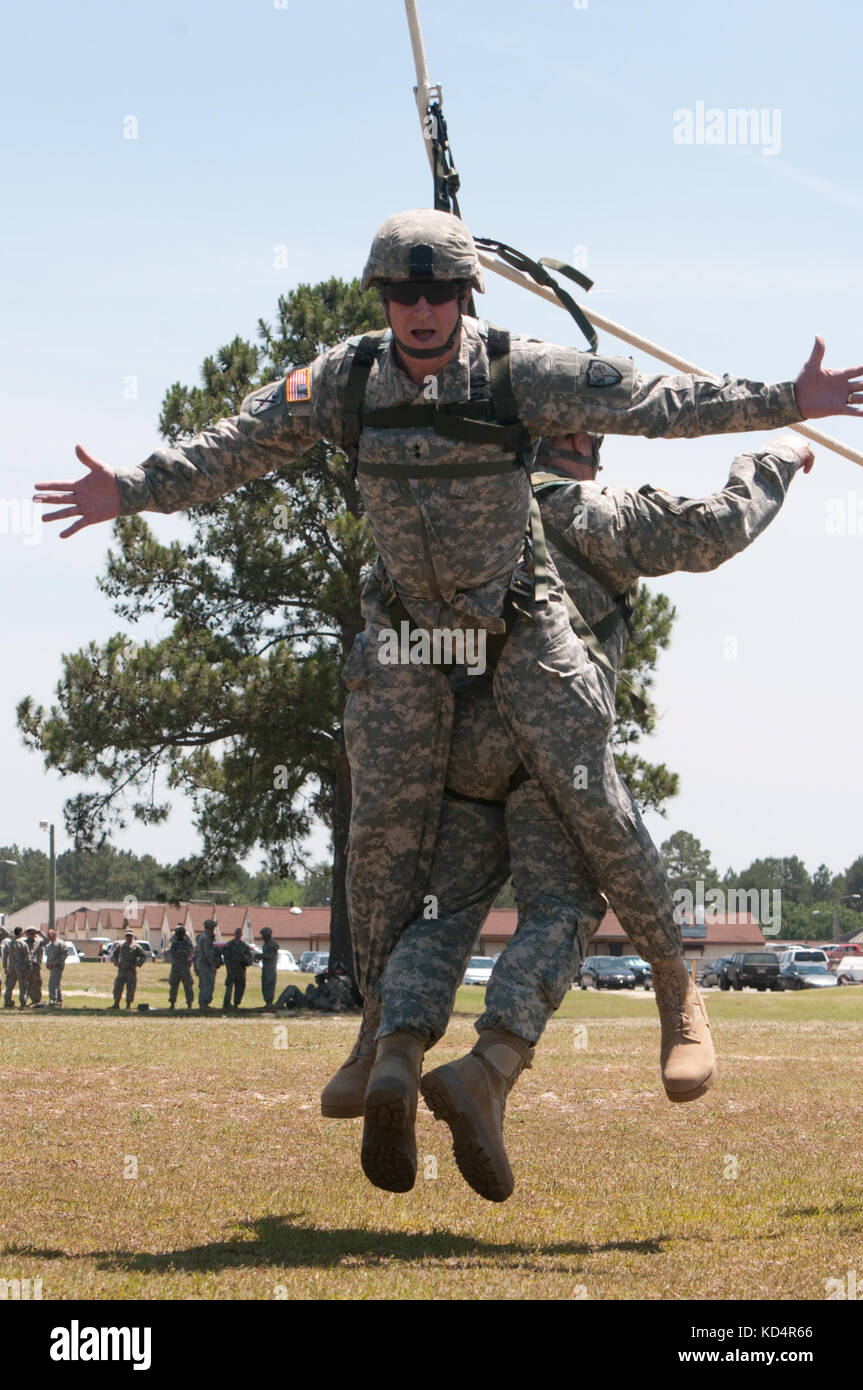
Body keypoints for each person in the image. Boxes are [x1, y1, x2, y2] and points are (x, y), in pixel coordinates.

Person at [32, 208, 861, 1183]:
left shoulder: (523, 374)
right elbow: (236, 445)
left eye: (436, 292)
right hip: (408, 638)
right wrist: (128, 489)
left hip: (514, 625)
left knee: (594, 798)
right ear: (381, 298)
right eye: (401, 293)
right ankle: (379, 1036)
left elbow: (656, 402)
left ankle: (676, 990)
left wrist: (782, 398)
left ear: (465, 296)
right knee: (380, 839)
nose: (420, 310)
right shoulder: (342, 380)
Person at [334, 431, 814, 1198]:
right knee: (560, 907)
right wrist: (772, 464)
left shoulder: (458, 524)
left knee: (444, 912)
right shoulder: (602, 513)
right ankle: (488, 1069)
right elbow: (716, 530)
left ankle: (392, 1056)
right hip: (553, 754)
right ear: (586, 446)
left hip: (454, 754)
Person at [110, 932, 146, 1009]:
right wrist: (116, 962)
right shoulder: (121, 946)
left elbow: (143, 956)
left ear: (132, 937)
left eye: (130, 936)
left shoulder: (136, 947)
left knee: (131, 988)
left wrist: (137, 964)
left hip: (131, 971)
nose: (129, 938)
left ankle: (128, 1005)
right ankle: (116, 1004)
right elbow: (114, 955)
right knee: (117, 987)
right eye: (127, 936)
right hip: (122, 970)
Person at [221, 928, 254, 1010]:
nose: (238, 934)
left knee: (240, 987)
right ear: (234, 933)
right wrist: (228, 968)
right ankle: (226, 1003)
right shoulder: (229, 945)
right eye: (237, 933)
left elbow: (250, 958)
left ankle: (236, 1003)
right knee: (229, 987)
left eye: (240, 933)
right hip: (231, 969)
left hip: (241, 970)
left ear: (241, 934)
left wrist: (247, 962)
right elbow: (226, 957)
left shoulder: (244, 946)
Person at [193, 919, 221, 1012]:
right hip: (205, 965)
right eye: (213, 928)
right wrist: (213, 964)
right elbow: (208, 953)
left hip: (200, 964)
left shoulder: (201, 937)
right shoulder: (206, 938)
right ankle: (204, 1004)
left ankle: (202, 1004)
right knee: (208, 984)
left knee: (203, 984)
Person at [167, 925, 195, 1010]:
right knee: (173, 986)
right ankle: (172, 1003)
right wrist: (182, 952)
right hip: (176, 968)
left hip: (185, 968)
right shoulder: (174, 944)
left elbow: (191, 952)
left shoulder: (187, 943)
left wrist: (182, 952)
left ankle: (189, 1003)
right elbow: (172, 953)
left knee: (188, 986)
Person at [45, 928, 68, 1007]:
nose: (49, 937)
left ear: (54, 935)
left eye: (50, 935)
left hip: (58, 966)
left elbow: (65, 954)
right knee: (56, 983)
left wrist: (57, 962)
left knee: (52, 983)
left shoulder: (60, 943)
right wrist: (48, 963)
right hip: (51, 967)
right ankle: (59, 999)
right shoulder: (49, 945)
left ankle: (53, 1000)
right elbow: (48, 956)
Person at [3, 927, 24, 1008]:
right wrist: (28, 967)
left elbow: (5, 957)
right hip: (21, 968)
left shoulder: (8, 944)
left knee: (9, 986)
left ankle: (7, 1001)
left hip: (11, 967)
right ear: (20, 933)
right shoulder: (23, 944)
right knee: (22, 985)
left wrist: (5, 967)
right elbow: (27, 957)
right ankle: (23, 1002)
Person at [259, 927, 278, 1010]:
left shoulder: (273, 944)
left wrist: (262, 956)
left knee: (269, 985)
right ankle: (267, 1002)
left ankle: (270, 1002)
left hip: (271, 969)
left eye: (263, 935)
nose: (262, 937)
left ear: (268, 935)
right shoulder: (265, 944)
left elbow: (272, 956)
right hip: (265, 968)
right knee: (264, 986)